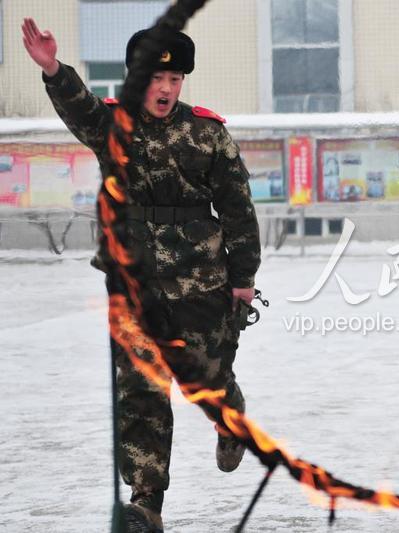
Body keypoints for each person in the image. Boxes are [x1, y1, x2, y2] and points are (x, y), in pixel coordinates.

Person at [22, 18, 260, 532]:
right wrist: (54, 71)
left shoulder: (207, 132)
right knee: (141, 391)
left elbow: (238, 209)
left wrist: (244, 279)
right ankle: (146, 502)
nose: (167, 88)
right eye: (157, 78)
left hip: (202, 283)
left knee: (208, 376)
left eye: (175, 80)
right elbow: (81, 108)